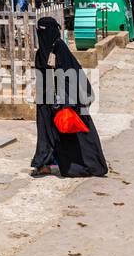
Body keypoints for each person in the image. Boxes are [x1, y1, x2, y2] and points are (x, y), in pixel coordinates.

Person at [30, 16, 109, 178]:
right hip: (46, 100)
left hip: (65, 101)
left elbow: (71, 75)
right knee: (46, 132)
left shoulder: (59, 49)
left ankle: (90, 164)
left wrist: (65, 100)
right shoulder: (42, 52)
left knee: (73, 133)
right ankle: (44, 163)